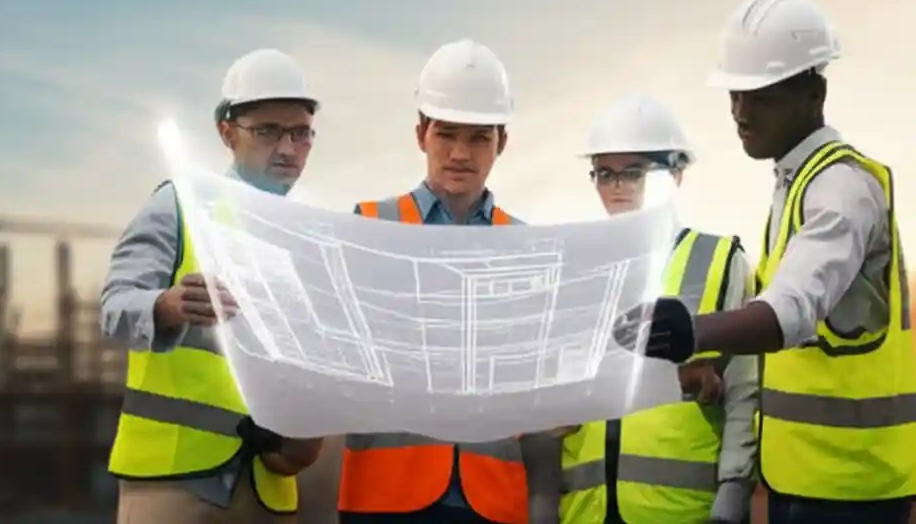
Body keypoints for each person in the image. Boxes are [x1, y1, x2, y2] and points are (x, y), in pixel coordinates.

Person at [616, 0, 916, 523]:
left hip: (854, 491)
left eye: (760, 94)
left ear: (814, 92)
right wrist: (716, 361)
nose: (740, 110)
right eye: (735, 93)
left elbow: (792, 309)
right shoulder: (795, 183)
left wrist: (694, 330)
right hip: (808, 480)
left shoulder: (841, 190)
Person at [101, 49, 326, 523]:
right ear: (227, 132)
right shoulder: (180, 207)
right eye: (267, 131)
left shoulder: (310, 238)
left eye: (300, 133)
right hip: (174, 482)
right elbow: (114, 308)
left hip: (269, 482)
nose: (287, 148)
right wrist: (166, 305)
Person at [336, 39, 550, 524]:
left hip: (491, 498)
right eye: (446, 134)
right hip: (384, 495)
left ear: (502, 143)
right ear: (420, 134)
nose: (459, 153)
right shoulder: (369, 226)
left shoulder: (526, 247)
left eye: (478, 138)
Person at [554, 94, 757, 524]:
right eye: (604, 174)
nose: (617, 187)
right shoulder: (575, 269)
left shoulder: (719, 261)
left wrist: (735, 486)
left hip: (680, 510)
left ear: (677, 172)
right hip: (585, 509)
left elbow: (745, 390)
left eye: (635, 172)